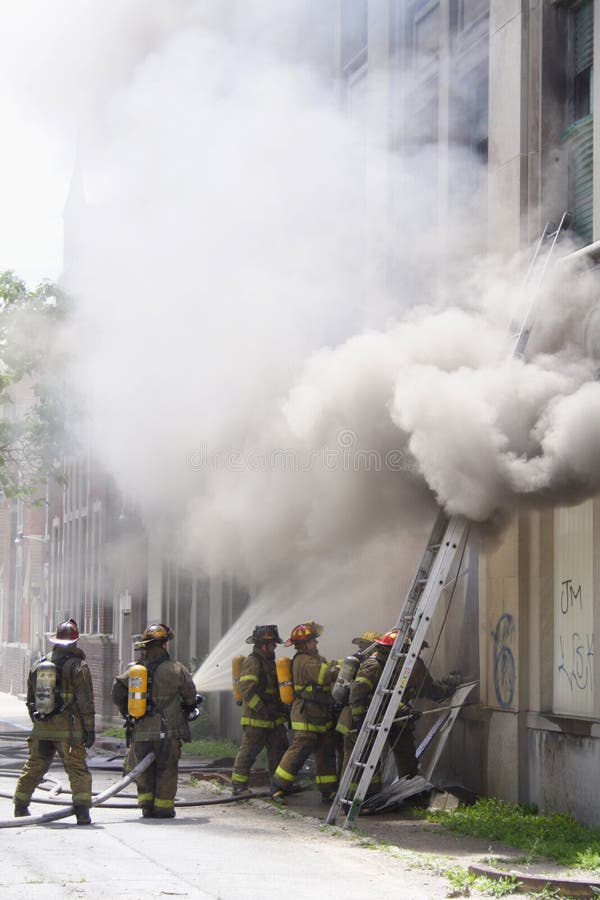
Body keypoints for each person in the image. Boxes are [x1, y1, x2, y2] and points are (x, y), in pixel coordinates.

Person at [336, 629, 461, 794]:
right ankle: (357, 799)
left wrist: (447, 687)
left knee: (405, 754)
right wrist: (360, 719)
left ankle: (408, 791)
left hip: (388, 718)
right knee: (362, 761)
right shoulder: (375, 665)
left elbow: (420, 690)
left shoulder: (402, 666)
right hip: (362, 720)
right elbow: (358, 692)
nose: (414, 654)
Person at [13, 618, 96, 825]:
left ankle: (20, 806)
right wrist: (90, 729)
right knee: (77, 770)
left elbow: (31, 698)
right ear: (75, 642)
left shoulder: (39, 664)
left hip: (42, 728)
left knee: (34, 766)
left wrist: (37, 717)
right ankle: (83, 812)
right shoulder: (79, 667)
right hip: (69, 730)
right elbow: (86, 702)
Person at [112, 622, 197, 819]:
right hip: (168, 730)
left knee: (144, 769)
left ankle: (146, 806)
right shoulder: (176, 669)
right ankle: (164, 808)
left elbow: (117, 690)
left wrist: (128, 712)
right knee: (166, 768)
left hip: (141, 729)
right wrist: (190, 704)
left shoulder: (135, 672)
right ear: (164, 645)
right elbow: (190, 695)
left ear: (146, 647)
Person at [270, 622, 339, 804]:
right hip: (306, 714)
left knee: (326, 753)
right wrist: (343, 667)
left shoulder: (312, 659)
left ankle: (328, 791)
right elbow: (326, 674)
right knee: (298, 751)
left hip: (320, 713)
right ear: (305, 643)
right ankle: (277, 787)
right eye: (313, 640)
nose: (316, 643)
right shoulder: (305, 661)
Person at [231, 625, 289, 796]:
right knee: (249, 751)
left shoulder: (269, 662)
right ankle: (239, 786)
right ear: (264, 645)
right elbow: (246, 689)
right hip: (257, 718)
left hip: (273, 717)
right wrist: (262, 709)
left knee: (280, 748)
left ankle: (278, 786)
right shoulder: (253, 662)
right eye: (272, 645)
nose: (275, 647)